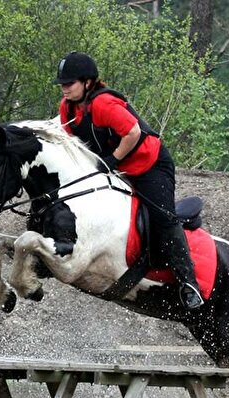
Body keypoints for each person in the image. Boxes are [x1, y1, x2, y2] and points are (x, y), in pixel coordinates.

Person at [53, 51, 204, 310]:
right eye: (62, 84)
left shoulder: (104, 104)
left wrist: (112, 159)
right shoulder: (67, 108)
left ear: (88, 82)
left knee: (162, 217)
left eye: (70, 83)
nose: (65, 88)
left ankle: (188, 284)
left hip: (149, 166)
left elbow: (132, 132)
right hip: (116, 167)